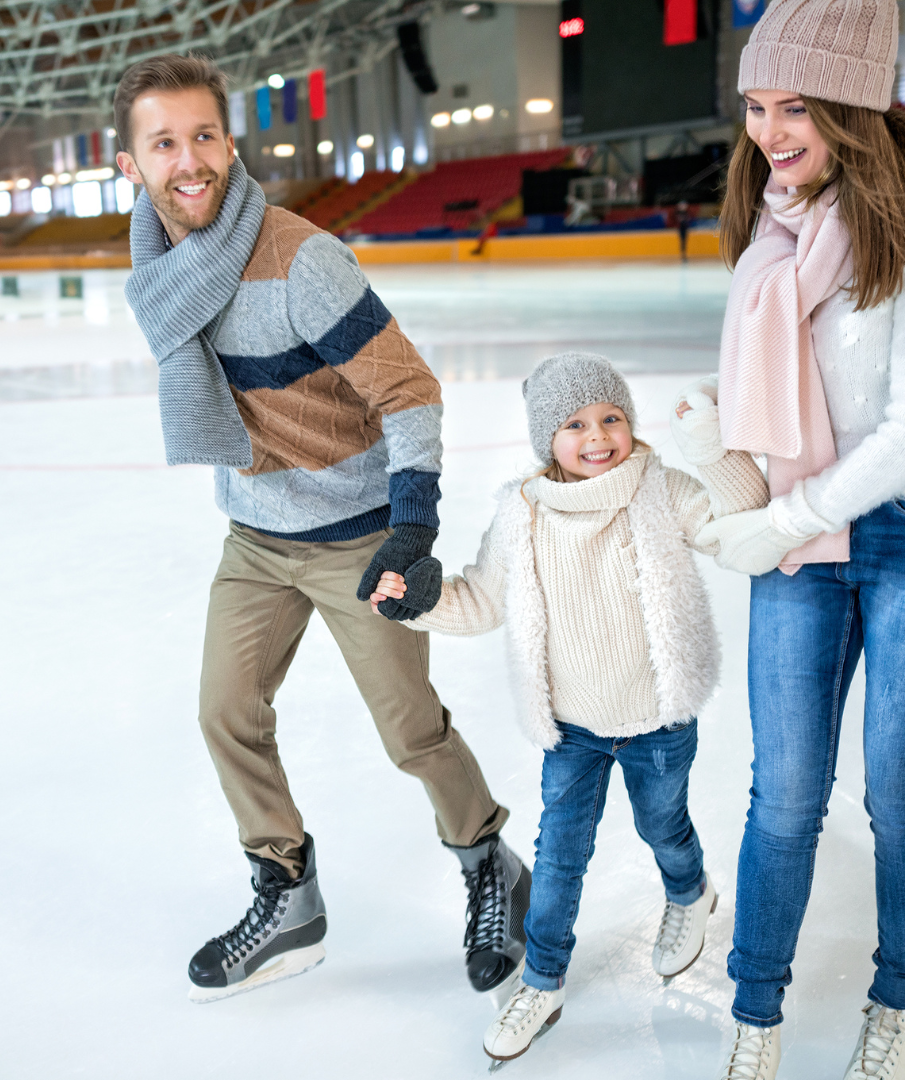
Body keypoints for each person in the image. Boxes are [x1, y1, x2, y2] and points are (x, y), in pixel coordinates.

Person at [114, 54, 529, 1003]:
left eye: (204, 135)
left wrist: (411, 525)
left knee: (410, 733)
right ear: (132, 163)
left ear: (230, 141)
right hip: (256, 539)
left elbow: (410, 390)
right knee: (227, 711)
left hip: (354, 534)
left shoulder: (301, 260)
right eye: (164, 142)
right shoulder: (162, 270)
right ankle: (288, 895)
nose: (190, 160)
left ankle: (488, 868)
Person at [671, 1, 905, 1077]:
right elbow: (784, 391)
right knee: (786, 797)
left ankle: (899, 1004)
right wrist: (720, 435)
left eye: (795, 105)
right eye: (757, 106)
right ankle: (754, 1014)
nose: (769, 130)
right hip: (809, 534)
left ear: (852, 104)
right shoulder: (775, 216)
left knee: (900, 797)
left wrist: (784, 520)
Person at [370, 352, 771, 1063]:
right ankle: (544, 978)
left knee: (663, 825)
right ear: (544, 439)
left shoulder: (659, 488)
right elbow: (483, 600)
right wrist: (417, 603)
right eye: (575, 423)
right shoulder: (522, 512)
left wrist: (717, 452)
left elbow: (737, 529)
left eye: (611, 417)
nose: (597, 435)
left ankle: (690, 895)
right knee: (559, 859)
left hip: (657, 721)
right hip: (573, 731)